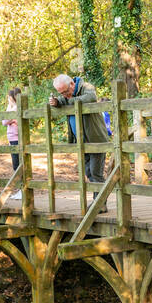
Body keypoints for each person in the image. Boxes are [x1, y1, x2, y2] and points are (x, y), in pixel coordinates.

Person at [49, 73, 110, 209]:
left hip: (96, 139)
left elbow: (91, 97)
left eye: (65, 91)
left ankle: (100, 204)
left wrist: (69, 101)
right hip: (82, 142)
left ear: (72, 84)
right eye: (61, 93)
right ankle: (99, 201)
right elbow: (62, 101)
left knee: (96, 172)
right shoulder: (68, 95)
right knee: (88, 171)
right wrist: (56, 102)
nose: (65, 95)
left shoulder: (86, 87)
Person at [2, 87, 23, 201]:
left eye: (9, 97)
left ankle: (22, 190)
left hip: (16, 138)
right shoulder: (11, 107)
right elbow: (4, 121)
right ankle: (20, 190)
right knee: (16, 165)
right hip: (12, 138)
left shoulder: (15, 108)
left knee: (17, 165)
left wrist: (10, 119)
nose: (8, 99)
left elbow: (5, 121)